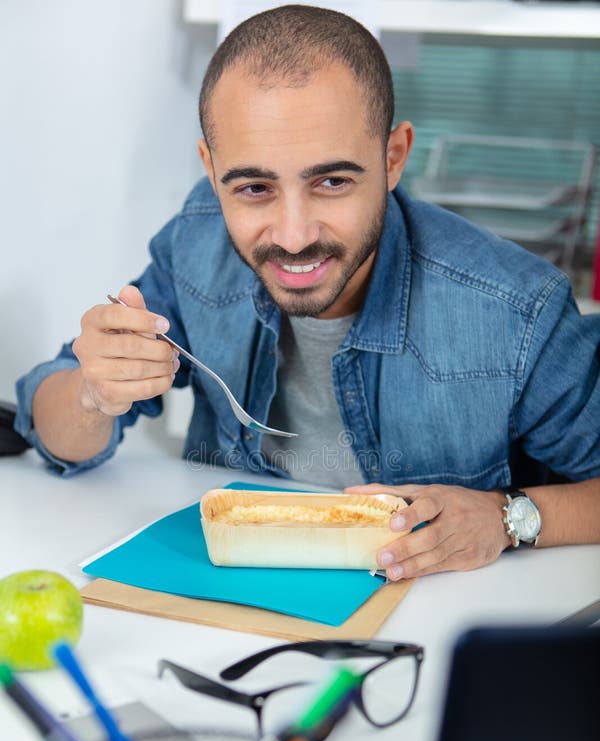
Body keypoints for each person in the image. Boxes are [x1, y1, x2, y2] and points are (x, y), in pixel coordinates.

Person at [15, 4, 600, 582]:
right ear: (210, 166)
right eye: (253, 187)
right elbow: (55, 433)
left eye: (332, 181)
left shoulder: (515, 309)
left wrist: (509, 518)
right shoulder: (194, 240)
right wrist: (92, 394)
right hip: (221, 606)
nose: (294, 236)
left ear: (393, 157)